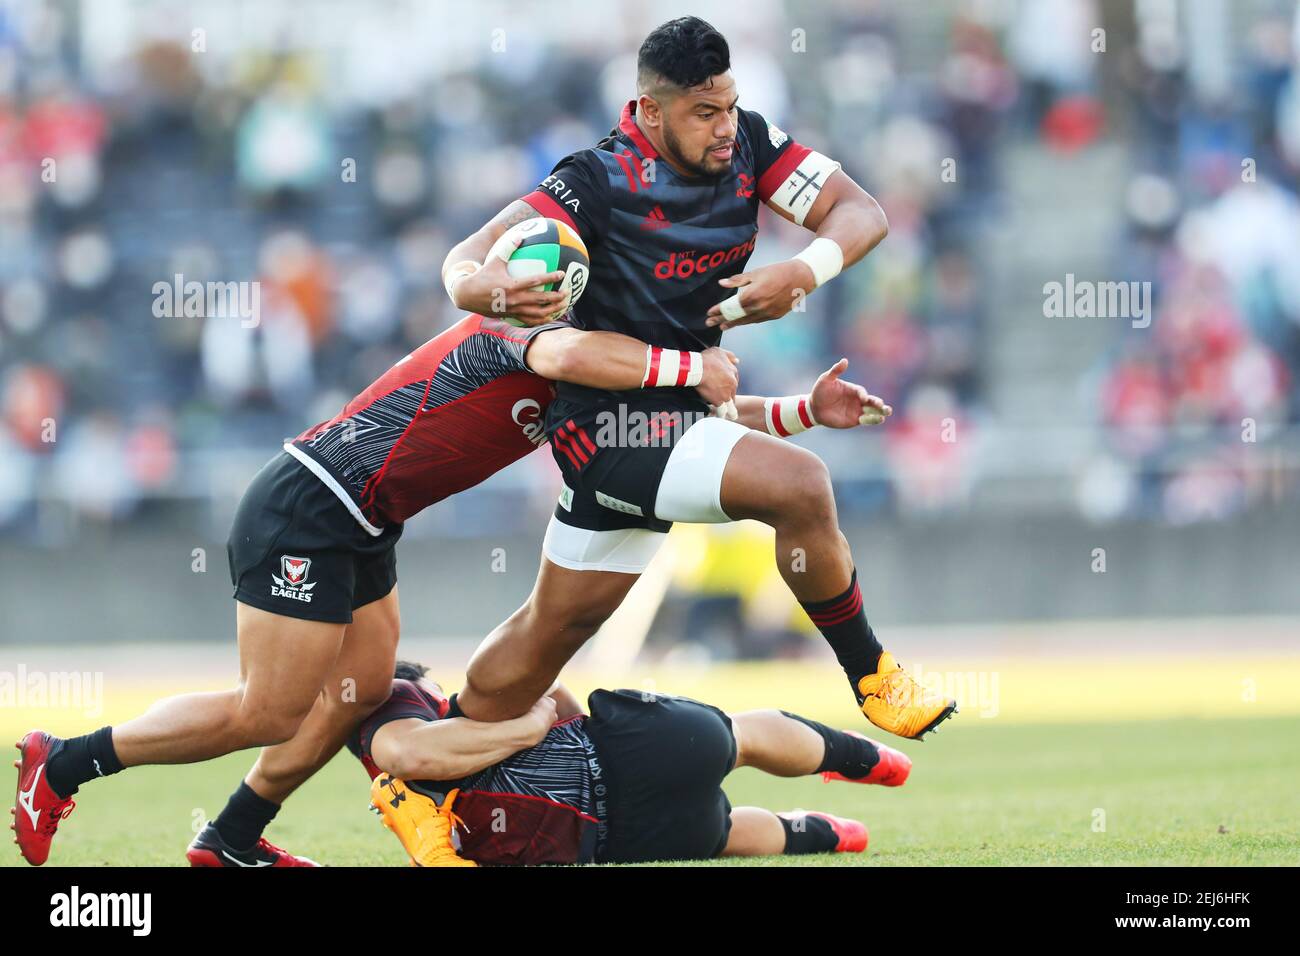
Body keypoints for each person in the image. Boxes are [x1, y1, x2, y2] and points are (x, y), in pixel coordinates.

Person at [12, 307, 740, 868]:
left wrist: (797, 410)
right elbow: (575, 351)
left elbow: (668, 431)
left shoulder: (587, 369)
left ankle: (233, 836)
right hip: (311, 506)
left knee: (355, 693)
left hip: (362, 521)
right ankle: (64, 761)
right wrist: (684, 363)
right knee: (267, 710)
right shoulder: (527, 329)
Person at [441, 16, 956, 737]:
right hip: (608, 432)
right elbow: (466, 259)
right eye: (703, 113)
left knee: (542, 640)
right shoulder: (595, 180)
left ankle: (433, 746)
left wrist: (803, 270)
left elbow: (860, 212)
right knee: (801, 486)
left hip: (685, 424)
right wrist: (485, 290)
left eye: (730, 105)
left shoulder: (750, 144)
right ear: (650, 111)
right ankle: (873, 678)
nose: (724, 127)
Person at [355, 659, 914, 866]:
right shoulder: (424, 729)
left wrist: (525, 730)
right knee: (737, 747)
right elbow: (548, 688)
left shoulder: (416, 761)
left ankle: (837, 815)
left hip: (610, 830)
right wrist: (533, 727)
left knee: (725, 820)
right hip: (619, 776)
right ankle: (856, 774)